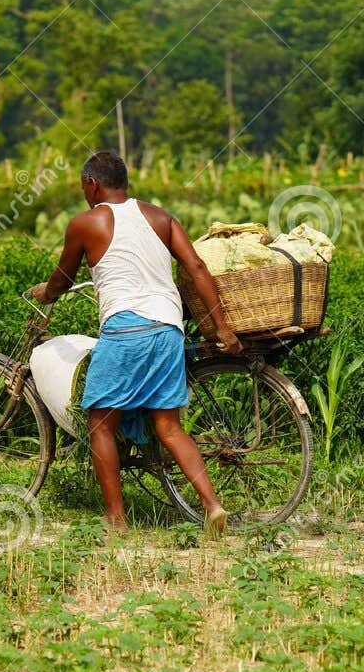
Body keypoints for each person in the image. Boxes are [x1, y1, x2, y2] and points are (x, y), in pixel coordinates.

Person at [28, 150, 242, 538]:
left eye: (84, 187)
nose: (84, 194)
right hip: (168, 329)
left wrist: (45, 293)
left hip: (127, 330)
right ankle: (212, 505)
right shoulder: (161, 217)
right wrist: (222, 328)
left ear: (92, 184)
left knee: (100, 426)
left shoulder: (85, 223)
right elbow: (195, 268)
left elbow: (61, 280)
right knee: (169, 427)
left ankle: (116, 519)